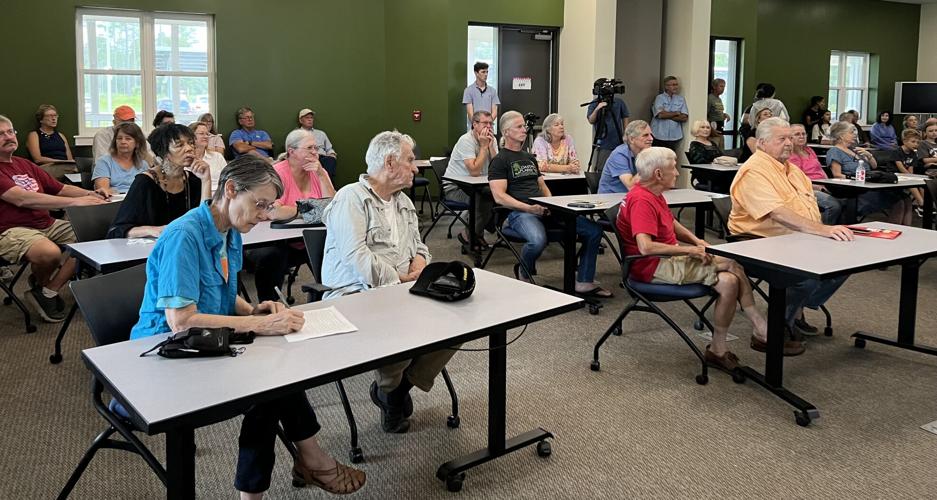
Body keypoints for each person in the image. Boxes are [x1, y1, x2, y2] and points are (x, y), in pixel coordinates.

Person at [130, 156, 365, 498]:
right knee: (267, 387)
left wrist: (252, 309)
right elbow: (180, 320)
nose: (265, 215)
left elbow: (224, 293)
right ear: (229, 189)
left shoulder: (229, 230)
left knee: (279, 375)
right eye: (260, 204)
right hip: (162, 357)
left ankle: (299, 466)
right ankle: (302, 465)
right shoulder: (185, 235)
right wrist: (259, 322)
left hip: (208, 342)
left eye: (269, 207)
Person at [321, 130, 455, 434]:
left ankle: (396, 389)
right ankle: (392, 389)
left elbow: (420, 246)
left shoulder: (403, 202)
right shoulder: (350, 198)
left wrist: (419, 266)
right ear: (390, 162)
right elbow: (356, 257)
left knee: (459, 322)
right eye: (410, 160)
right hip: (356, 293)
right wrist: (399, 279)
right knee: (401, 328)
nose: (416, 167)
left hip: (404, 288)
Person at [616, 147, 776, 363]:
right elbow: (646, 248)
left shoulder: (651, 193)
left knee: (728, 282)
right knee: (731, 263)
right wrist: (689, 249)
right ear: (658, 174)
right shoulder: (642, 200)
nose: (678, 173)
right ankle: (760, 327)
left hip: (667, 261)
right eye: (673, 168)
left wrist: (695, 240)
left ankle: (718, 348)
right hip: (654, 267)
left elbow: (670, 222)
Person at [729, 117, 851, 344]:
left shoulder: (792, 170)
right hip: (755, 242)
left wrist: (819, 232)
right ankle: (779, 324)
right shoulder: (754, 171)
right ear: (762, 143)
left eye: (790, 138)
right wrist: (823, 230)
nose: (788, 143)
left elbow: (808, 207)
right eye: (781, 139)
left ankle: (794, 310)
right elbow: (777, 213)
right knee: (806, 277)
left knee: (844, 263)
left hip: (797, 239)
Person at [489, 111, 611, 296]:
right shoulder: (500, 160)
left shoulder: (529, 157)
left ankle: (584, 281)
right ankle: (524, 270)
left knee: (594, 231)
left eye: (524, 125)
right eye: (519, 126)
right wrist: (529, 208)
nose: (525, 129)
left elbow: (542, 184)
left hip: (543, 208)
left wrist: (549, 203)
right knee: (537, 241)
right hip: (518, 212)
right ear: (506, 132)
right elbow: (499, 197)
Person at [0, 115, 108, 322]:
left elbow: (60, 188)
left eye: (10, 131)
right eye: (1, 134)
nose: (8, 137)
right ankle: (42, 284)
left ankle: (48, 290)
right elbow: (22, 199)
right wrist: (73, 203)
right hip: (10, 229)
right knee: (49, 253)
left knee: (93, 238)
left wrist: (89, 194)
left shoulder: (24, 164)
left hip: (45, 224)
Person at [246, 128, 335, 302]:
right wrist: (310, 210)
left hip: (306, 238)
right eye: (309, 148)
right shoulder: (277, 173)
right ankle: (268, 307)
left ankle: (330, 298)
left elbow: (332, 206)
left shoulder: (318, 171)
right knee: (273, 256)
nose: (315, 153)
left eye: (316, 148)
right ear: (291, 151)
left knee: (333, 248)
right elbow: (273, 211)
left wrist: (322, 175)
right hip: (273, 241)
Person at [108, 124, 212, 238]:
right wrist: (151, 230)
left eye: (191, 143)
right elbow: (116, 229)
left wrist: (206, 180)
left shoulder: (193, 180)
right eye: (179, 145)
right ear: (164, 152)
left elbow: (206, 222)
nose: (189, 148)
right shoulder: (145, 182)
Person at [827, 121, 912, 225]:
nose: (855, 134)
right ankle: (894, 231)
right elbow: (837, 174)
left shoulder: (855, 150)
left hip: (871, 185)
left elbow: (874, 166)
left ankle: (905, 231)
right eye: (851, 132)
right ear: (841, 135)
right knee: (897, 201)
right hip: (855, 190)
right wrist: (856, 178)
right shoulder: (834, 151)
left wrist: (868, 155)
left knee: (905, 198)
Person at [443, 110, 497, 250]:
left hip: (478, 186)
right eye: (485, 123)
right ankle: (470, 234)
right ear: (474, 124)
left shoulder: (492, 139)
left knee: (498, 195)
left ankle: (476, 233)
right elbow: (474, 171)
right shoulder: (466, 141)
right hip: (455, 188)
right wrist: (484, 147)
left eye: (491, 123)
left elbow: (497, 168)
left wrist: (490, 147)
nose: (489, 127)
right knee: (485, 199)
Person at [788, 124, 842, 224]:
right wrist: (819, 187)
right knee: (833, 205)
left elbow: (820, 170)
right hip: (807, 188)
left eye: (803, 134)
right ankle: (824, 231)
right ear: (789, 137)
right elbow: (797, 179)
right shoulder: (789, 154)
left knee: (849, 198)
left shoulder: (809, 150)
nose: (801, 136)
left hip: (824, 184)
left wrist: (830, 183)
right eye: (797, 134)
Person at [597, 120, 653, 194]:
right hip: (611, 200)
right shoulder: (619, 155)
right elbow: (631, 186)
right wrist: (649, 165)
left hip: (630, 197)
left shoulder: (646, 152)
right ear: (631, 139)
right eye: (645, 135)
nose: (651, 138)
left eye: (651, 134)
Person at [92, 122, 149, 194]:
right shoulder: (104, 162)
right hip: (113, 202)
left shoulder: (143, 165)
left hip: (137, 202)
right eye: (119, 138)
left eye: (128, 139)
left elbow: (146, 191)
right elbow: (103, 191)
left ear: (137, 143)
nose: (123, 142)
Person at [586, 82, 631, 171]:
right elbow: (591, 120)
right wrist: (598, 108)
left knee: (619, 167)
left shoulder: (619, 102)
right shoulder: (594, 103)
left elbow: (625, 117)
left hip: (618, 141)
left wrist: (626, 134)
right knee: (602, 169)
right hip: (603, 143)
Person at [686, 120, 731, 193]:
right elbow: (700, 161)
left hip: (719, 171)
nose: (706, 130)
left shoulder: (712, 143)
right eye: (702, 127)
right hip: (706, 174)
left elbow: (721, 156)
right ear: (696, 129)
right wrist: (716, 162)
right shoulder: (695, 145)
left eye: (708, 127)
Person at [650, 76, 688, 152]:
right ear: (666, 86)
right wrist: (676, 113)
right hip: (658, 134)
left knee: (670, 159)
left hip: (674, 136)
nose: (676, 87)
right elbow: (660, 115)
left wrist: (667, 115)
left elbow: (684, 117)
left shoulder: (680, 99)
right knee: (657, 159)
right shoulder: (659, 98)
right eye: (673, 85)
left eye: (676, 84)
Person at [707, 78, 731, 150]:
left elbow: (717, 111)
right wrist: (710, 129)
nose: (723, 89)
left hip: (720, 127)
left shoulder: (719, 99)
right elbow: (706, 114)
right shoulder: (710, 98)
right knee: (715, 149)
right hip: (713, 128)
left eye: (724, 86)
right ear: (714, 87)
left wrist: (724, 115)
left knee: (721, 149)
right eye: (721, 86)